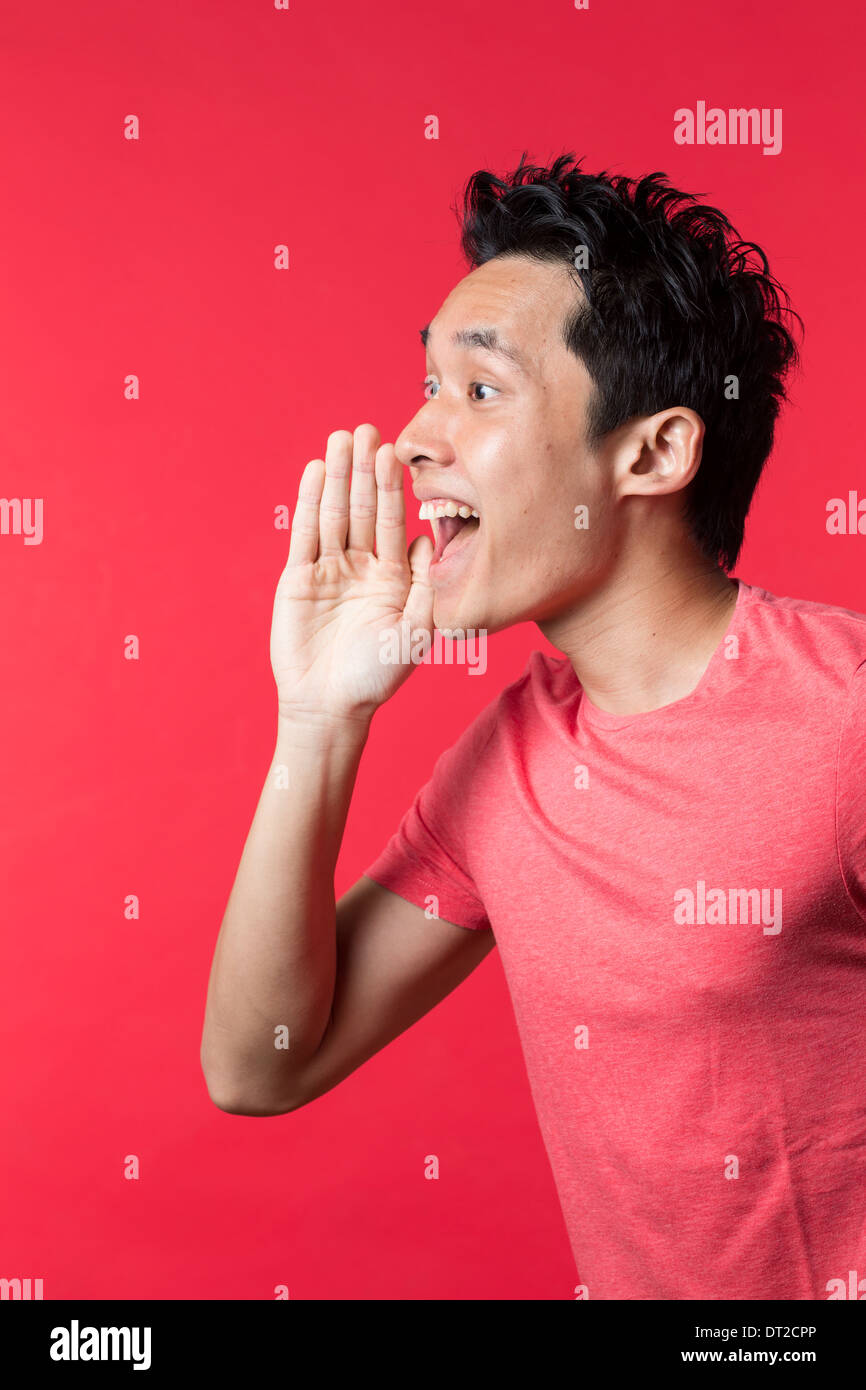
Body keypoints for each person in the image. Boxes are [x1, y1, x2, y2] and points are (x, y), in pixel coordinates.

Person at [200, 153, 866, 1300]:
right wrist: (317, 723)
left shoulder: (844, 713)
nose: (414, 437)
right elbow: (259, 1066)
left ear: (652, 450)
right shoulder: (510, 763)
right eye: (426, 384)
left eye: (478, 389)